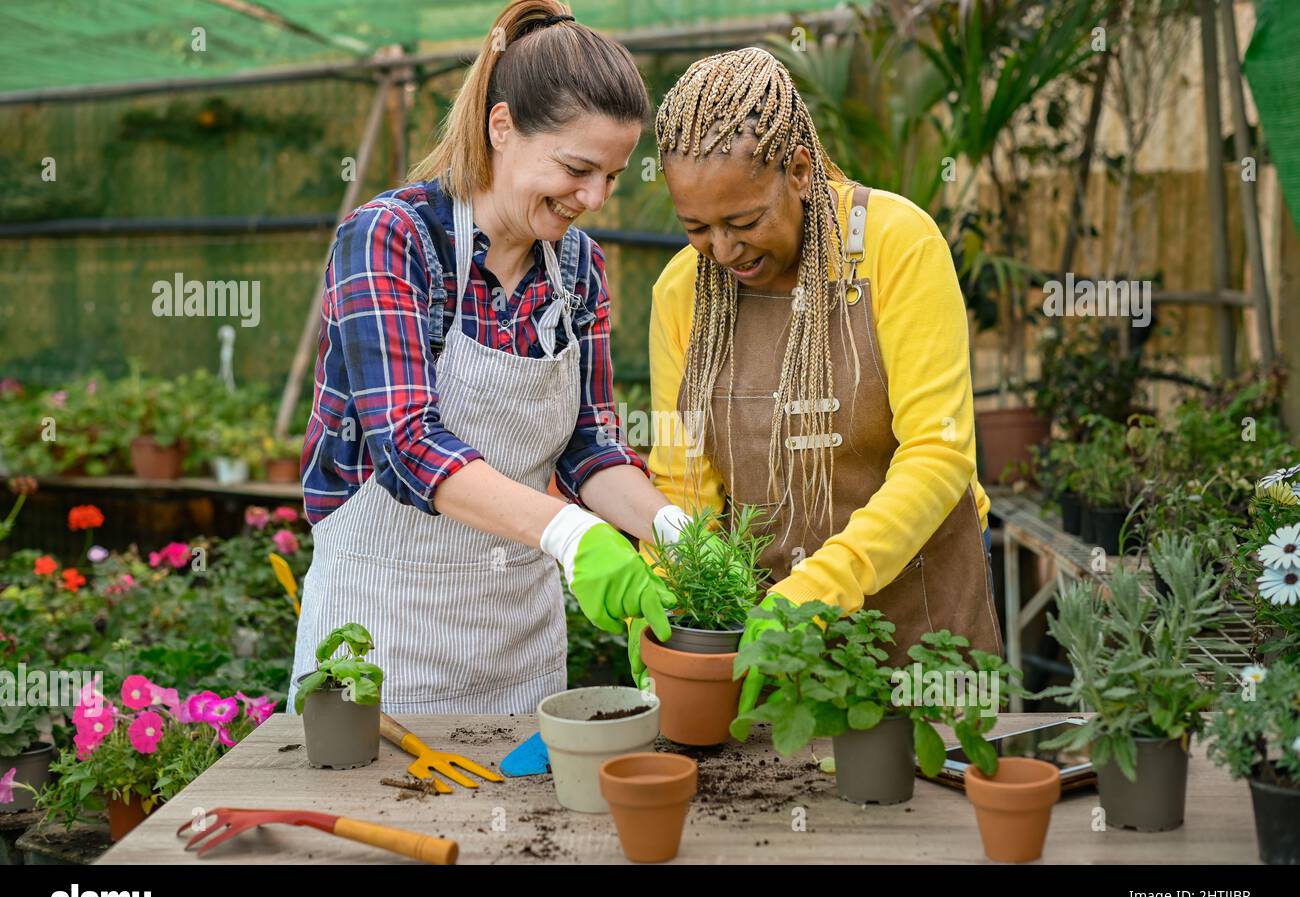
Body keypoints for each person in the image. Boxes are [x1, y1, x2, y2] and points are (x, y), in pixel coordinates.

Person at [287, 1, 693, 715]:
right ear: (500, 127)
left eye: (614, 175)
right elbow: (408, 445)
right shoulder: (392, 240)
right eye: (576, 168)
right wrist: (571, 533)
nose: (594, 198)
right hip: (379, 641)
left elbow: (590, 447)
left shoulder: (580, 270)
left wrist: (669, 529)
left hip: (518, 649)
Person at [640, 48, 1002, 711]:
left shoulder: (897, 246)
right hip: (770, 653)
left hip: (923, 626)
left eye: (742, 222)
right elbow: (682, 482)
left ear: (800, 171)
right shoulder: (680, 296)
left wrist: (821, 587)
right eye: (697, 227)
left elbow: (939, 455)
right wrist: (668, 612)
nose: (722, 250)